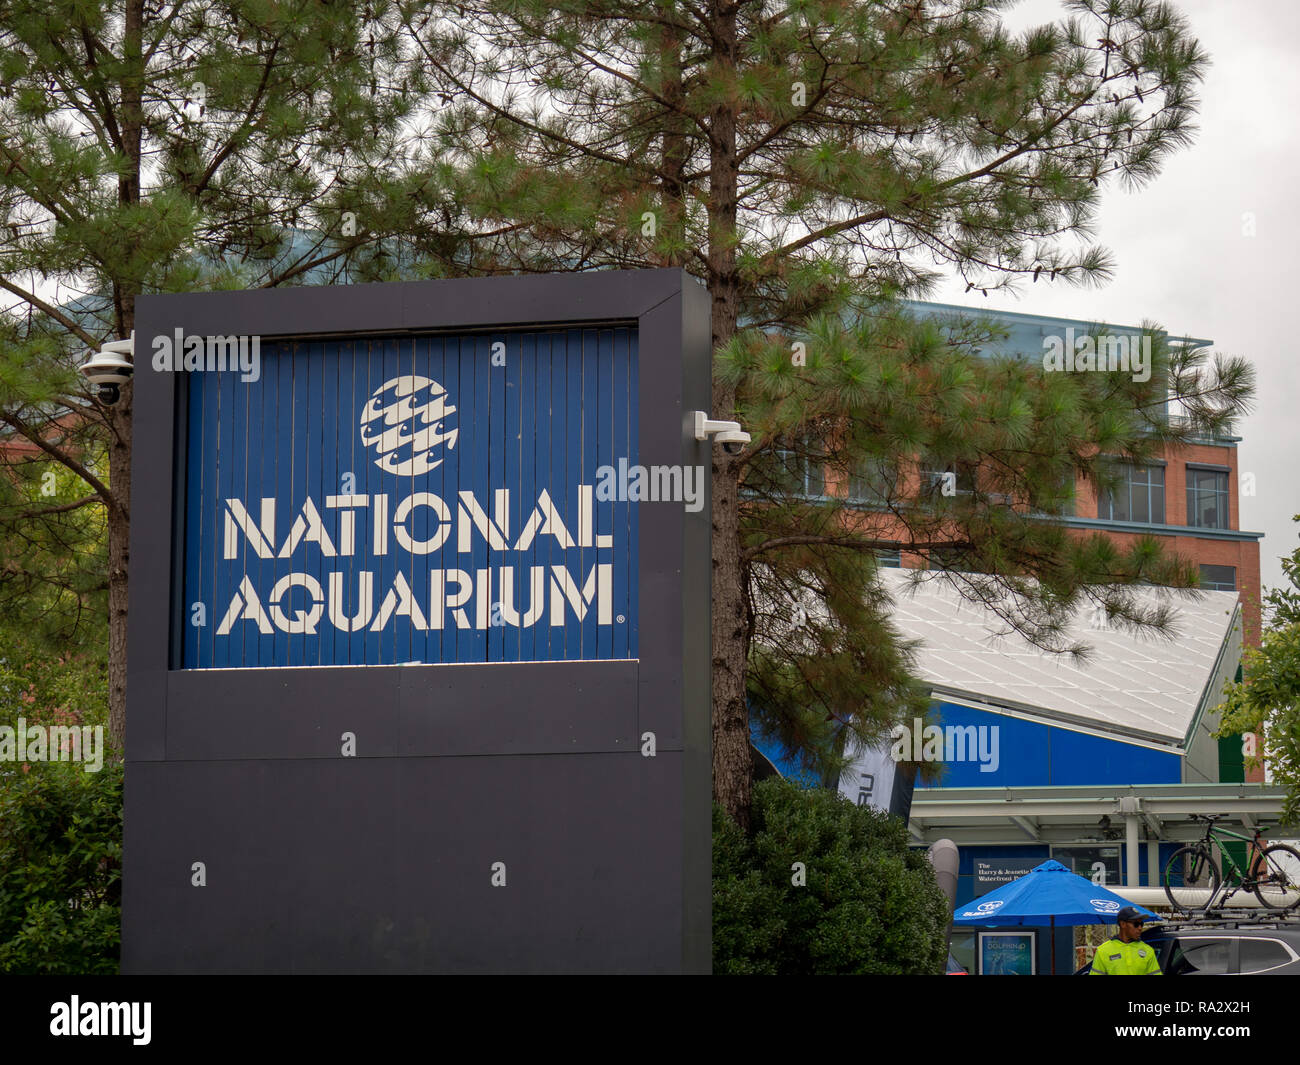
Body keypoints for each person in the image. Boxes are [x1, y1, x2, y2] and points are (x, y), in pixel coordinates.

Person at [1090, 906, 1161, 975]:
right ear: (1123, 924)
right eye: (1136, 924)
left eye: (1141, 924)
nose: (1140, 928)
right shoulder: (1103, 951)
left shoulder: (1148, 951)